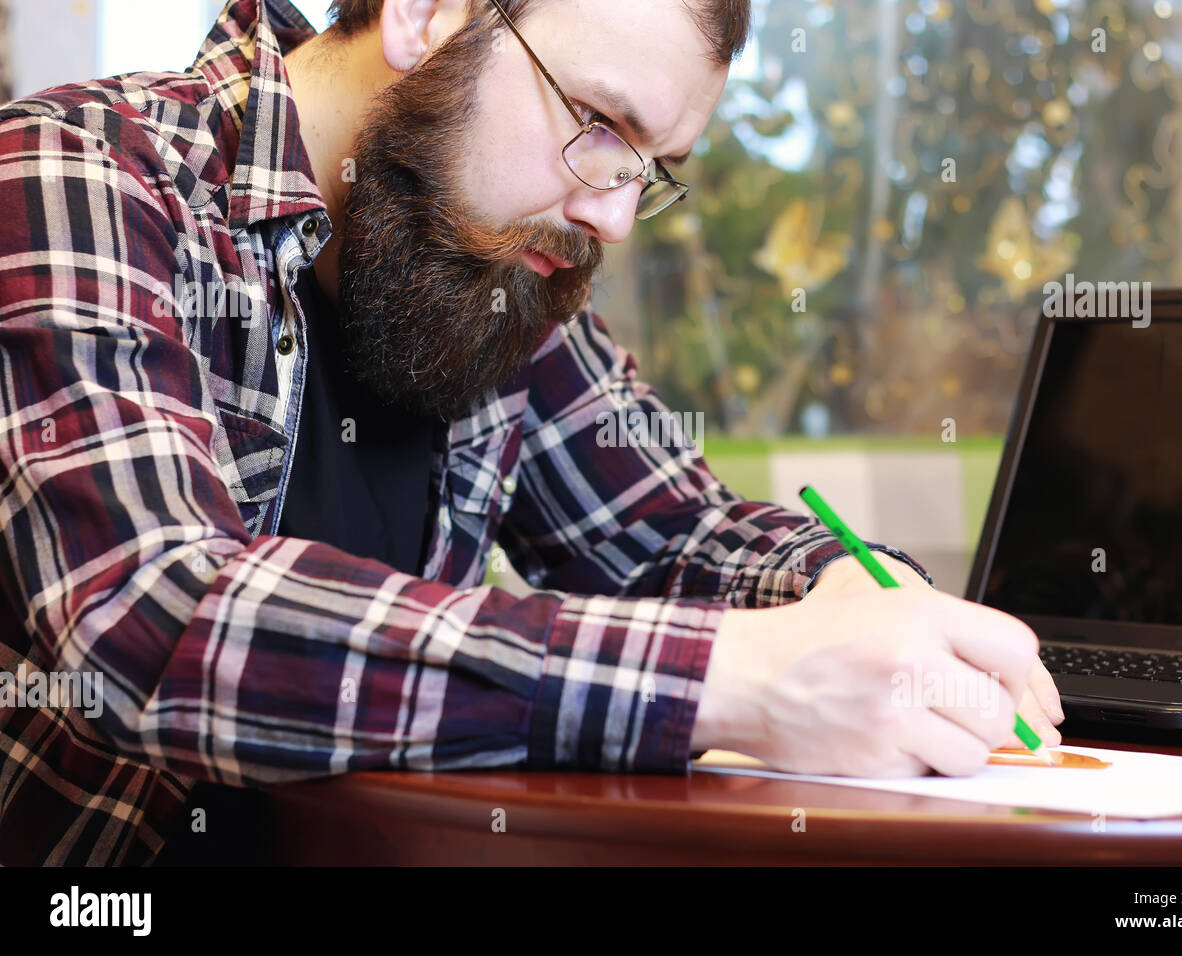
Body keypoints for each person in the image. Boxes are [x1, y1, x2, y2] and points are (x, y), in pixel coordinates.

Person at [0, 0, 1062, 866]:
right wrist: (740, 676)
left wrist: (856, 589)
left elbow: (673, 535)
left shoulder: (489, 259)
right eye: (599, 120)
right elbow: (148, 615)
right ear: (426, 15)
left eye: (651, 164)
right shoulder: (73, 172)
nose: (612, 214)